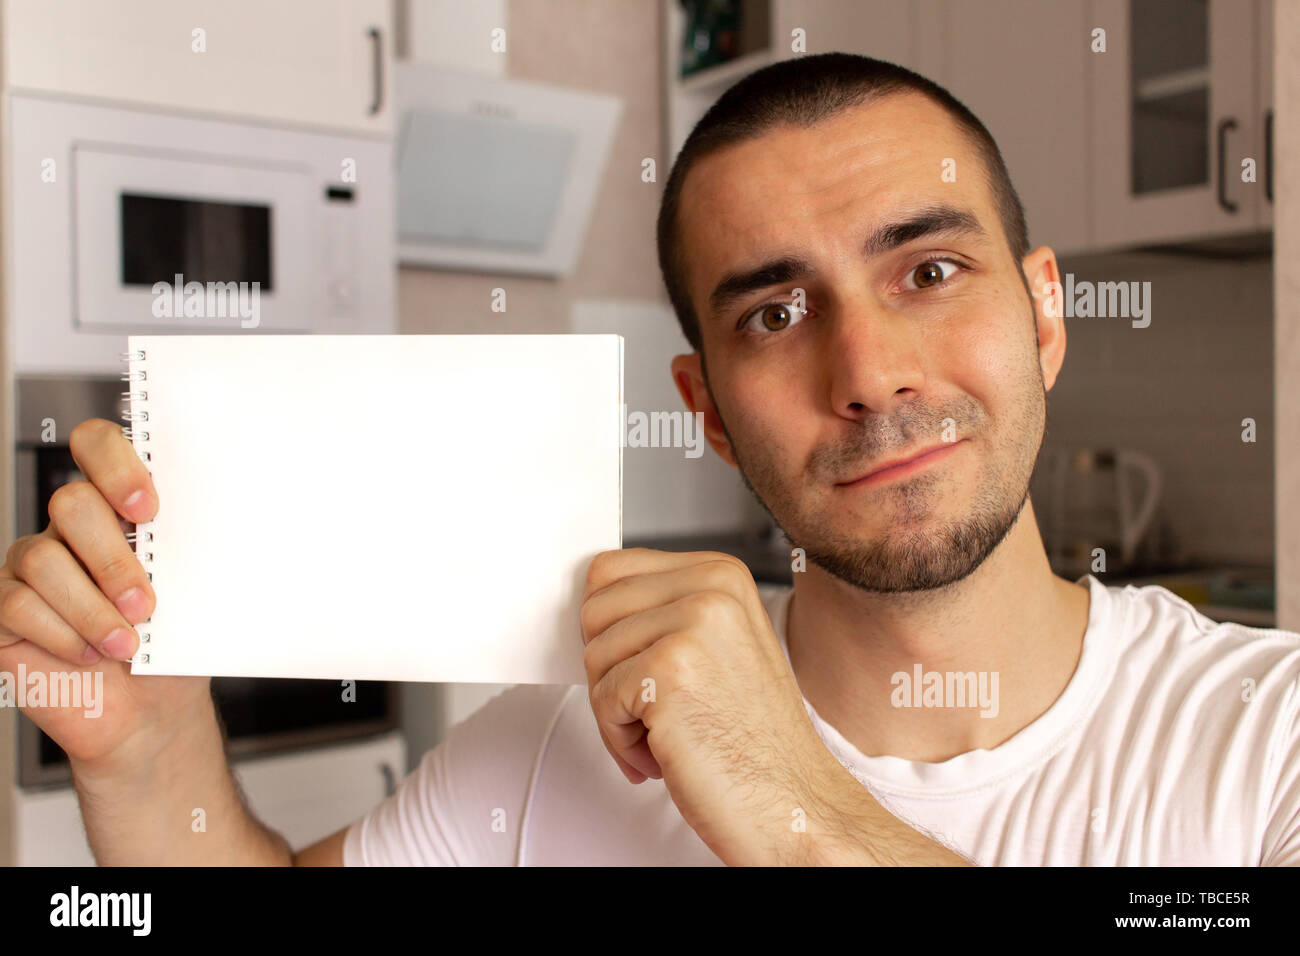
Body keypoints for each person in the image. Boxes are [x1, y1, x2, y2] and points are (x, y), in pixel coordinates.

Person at [3, 53, 1296, 866]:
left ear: (1046, 312)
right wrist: (149, 753)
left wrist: (784, 797)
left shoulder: (1267, 737)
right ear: (710, 407)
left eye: (931, 269)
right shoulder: (565, 733)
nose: (868, 373)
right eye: (774, 312)